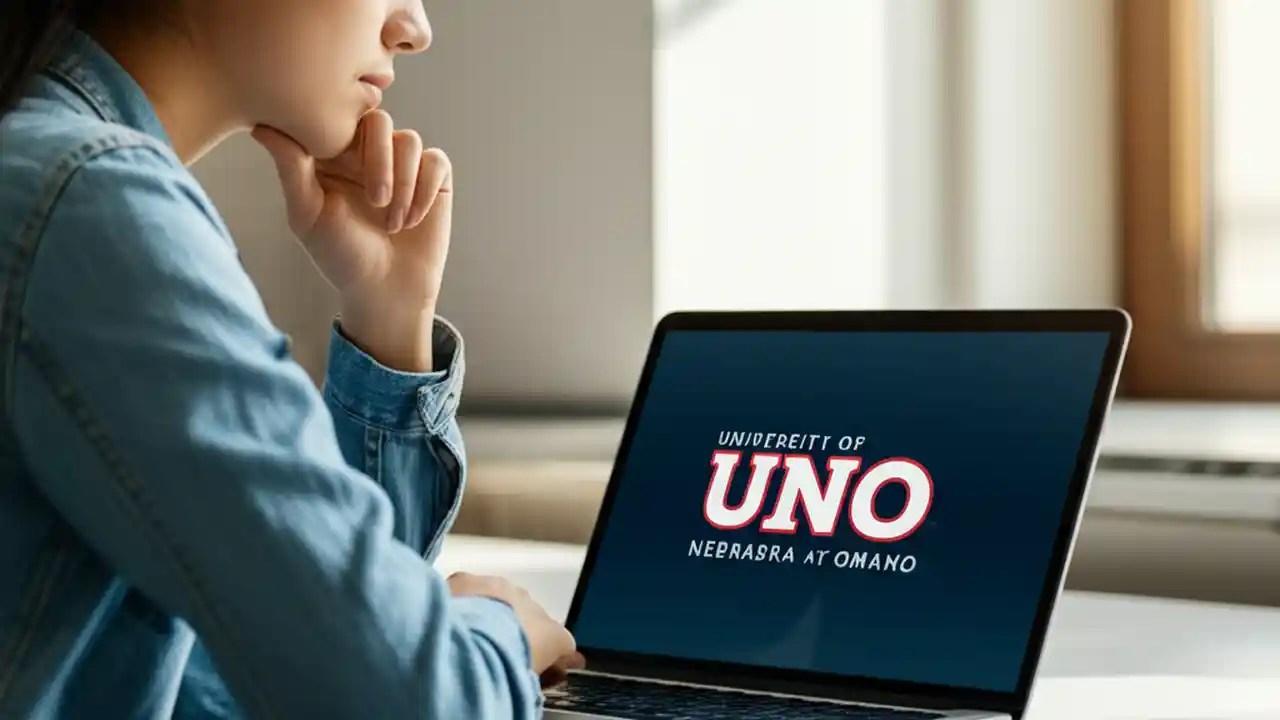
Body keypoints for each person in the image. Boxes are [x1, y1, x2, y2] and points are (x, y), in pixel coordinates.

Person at [0, 1, 583, 718]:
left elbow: (262, 671)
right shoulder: (90, 203)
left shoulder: (45, 169)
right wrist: (499, 635)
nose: (415, 27)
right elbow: (399, 699)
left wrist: (388, 313)